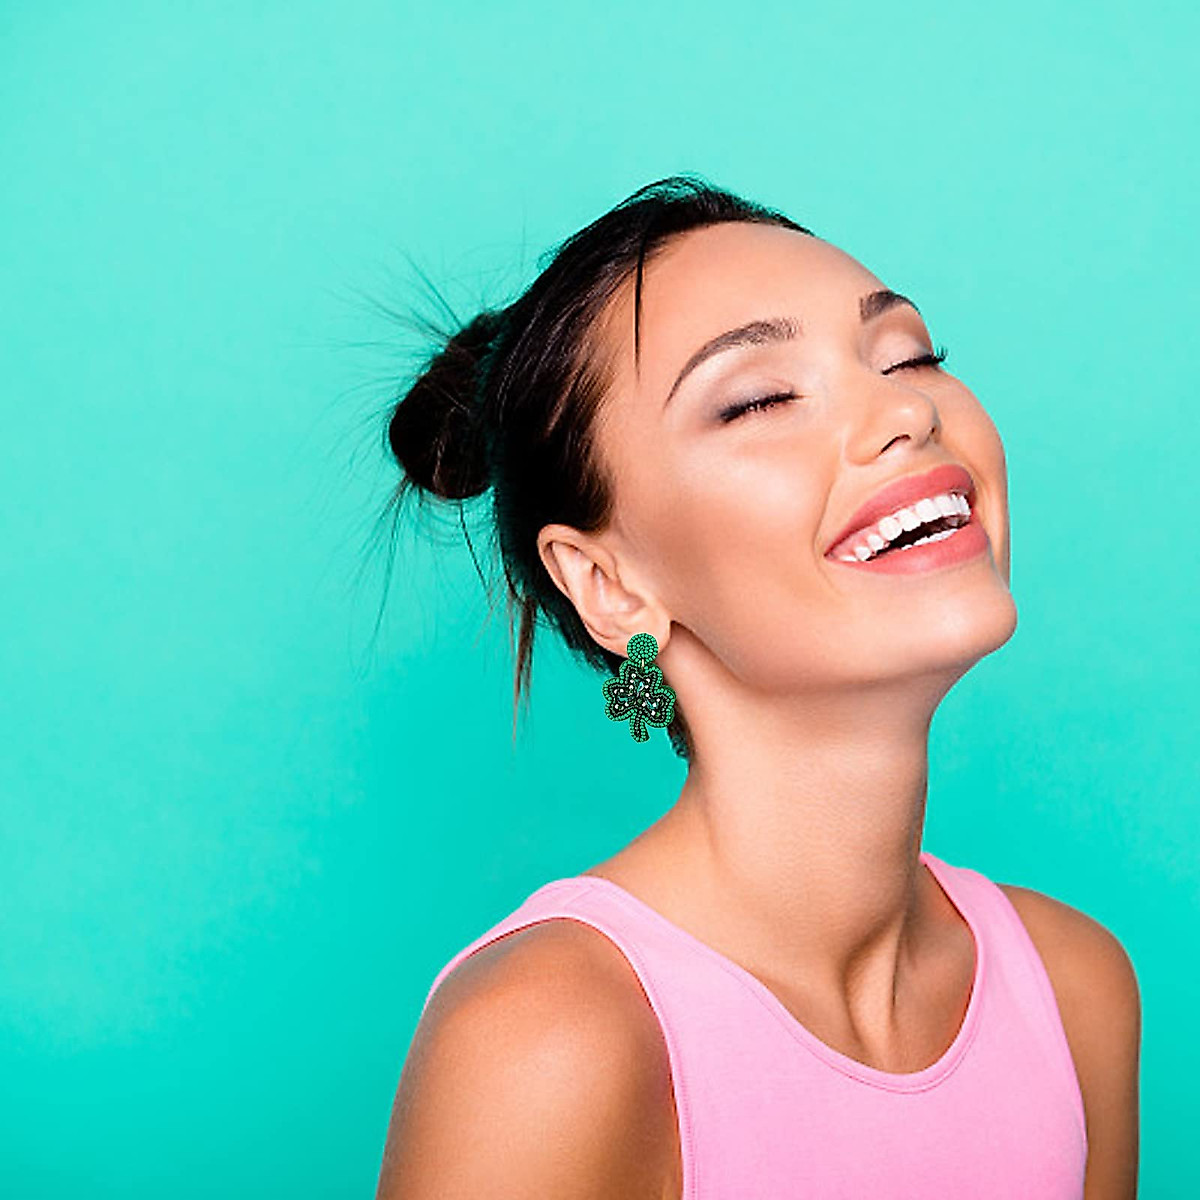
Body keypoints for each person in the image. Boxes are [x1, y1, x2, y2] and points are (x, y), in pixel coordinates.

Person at [372, 174, 1140, 1198]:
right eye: (761, 398)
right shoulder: (546, 1039)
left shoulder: (1075, 989)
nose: (907, 409)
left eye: (909, 356)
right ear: (609, 585)